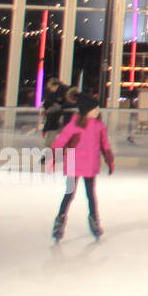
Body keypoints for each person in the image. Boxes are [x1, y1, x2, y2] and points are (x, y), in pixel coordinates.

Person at [48, 91, 111, 241]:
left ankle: (94, 221)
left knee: (91, 195)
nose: (97, 111)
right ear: (86, 111)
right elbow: (61, 141)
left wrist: (110, 159)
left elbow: (105, 144)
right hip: (73, 166)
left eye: (97, 109)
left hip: (89, 166)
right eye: (94, 109)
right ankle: (59, 222)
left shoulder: (99, 126)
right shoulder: (74, 125)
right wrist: (53, 158)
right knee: (69, 194)